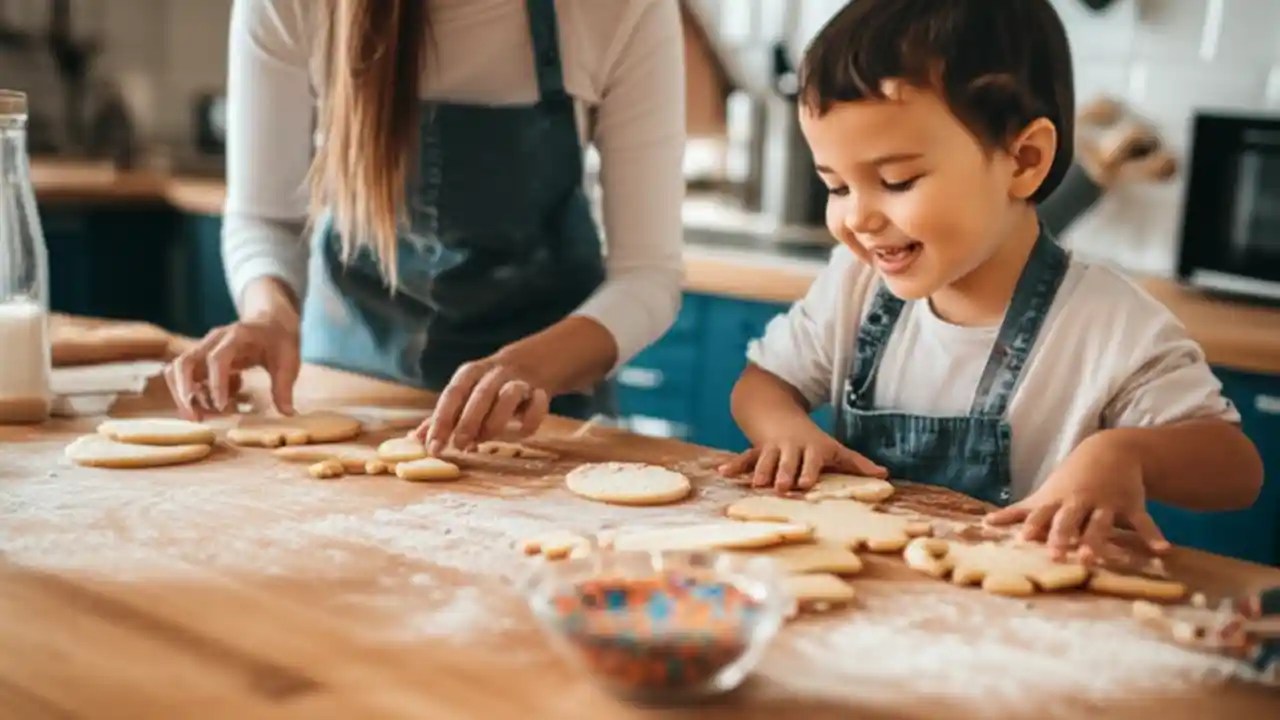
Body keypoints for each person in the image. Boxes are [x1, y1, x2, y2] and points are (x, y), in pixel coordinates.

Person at [719, 0, 1263, 561]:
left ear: (1024, 160)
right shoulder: (854, 287)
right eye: (836, 187)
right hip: (866, 591)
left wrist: (1125, 454)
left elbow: (1236, 468)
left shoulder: (1109, 323)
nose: (857, 217)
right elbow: (761, 385)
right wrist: (784, 428)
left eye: (895, 180)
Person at [165, 0, 686, 454]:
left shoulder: (617, 7)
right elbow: (265, 218)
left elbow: (648, 277)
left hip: (542, 424)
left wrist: (531, 367)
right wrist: (269, 314)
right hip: (348, 406)